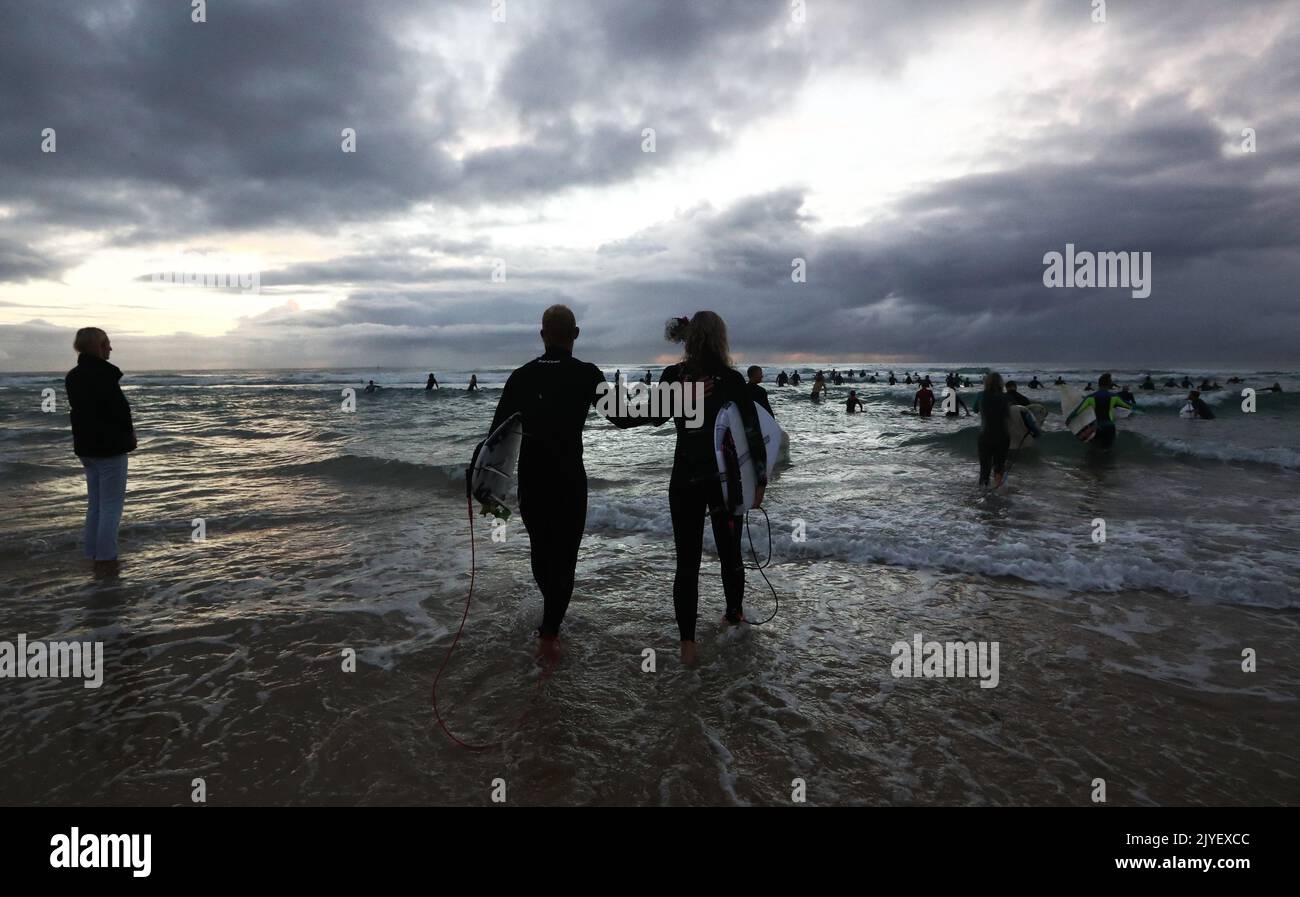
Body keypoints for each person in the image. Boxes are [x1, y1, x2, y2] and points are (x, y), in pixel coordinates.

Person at [485, 305, 638, 663]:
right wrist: (675, 405)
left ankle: (549, 622)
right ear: (576, 334)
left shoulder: (521, 377)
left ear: (542, 335)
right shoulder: (586, 374)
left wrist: (484, 486)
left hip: (533, 480)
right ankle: (550, 632)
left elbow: (495, 437)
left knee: (542, 553)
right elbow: (622, 417)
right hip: (568, 479)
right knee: (565, 559)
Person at [630, 313, 768, 667]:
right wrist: (760, 480)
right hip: (725, 482)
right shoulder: (733, 380)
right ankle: (733, 616)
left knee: (686, 563)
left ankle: (687, 646)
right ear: (720, 339)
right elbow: (751, 432)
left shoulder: (674, 377)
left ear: (690, 338)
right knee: (730, 553)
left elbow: (653, 415)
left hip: (685, 478)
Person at [65, 327, 137, 578]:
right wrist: (129, 436)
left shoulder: (73, 376)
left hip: (86, 448)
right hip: (109, 449)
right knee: (110, 508)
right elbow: (118, 412)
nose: (110, 348)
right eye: (106, 344)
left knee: (95, 505)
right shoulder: (104, 375)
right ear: (96, 346)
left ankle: (94, 553)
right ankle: (106, 559)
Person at [972, 372, 1039, 488]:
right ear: (1001, 383)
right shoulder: (1007, 397)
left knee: (985, 467)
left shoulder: (980, 395)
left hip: (985, 436)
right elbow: (1014, 411)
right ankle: (998, 491)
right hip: (1003, 436)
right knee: (999, 465)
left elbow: (975, 409)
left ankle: (983, 492)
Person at [1076, 373, 1133, 450]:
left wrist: (1069, 420)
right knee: (1107, 450)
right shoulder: (1114, 397)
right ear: (1109, 384)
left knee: (1093, 450)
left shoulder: (1090, 397)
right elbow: (1129, 406)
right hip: (1109, 427)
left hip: (1096, 428)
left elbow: (1077, 412)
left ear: (1099, 384)